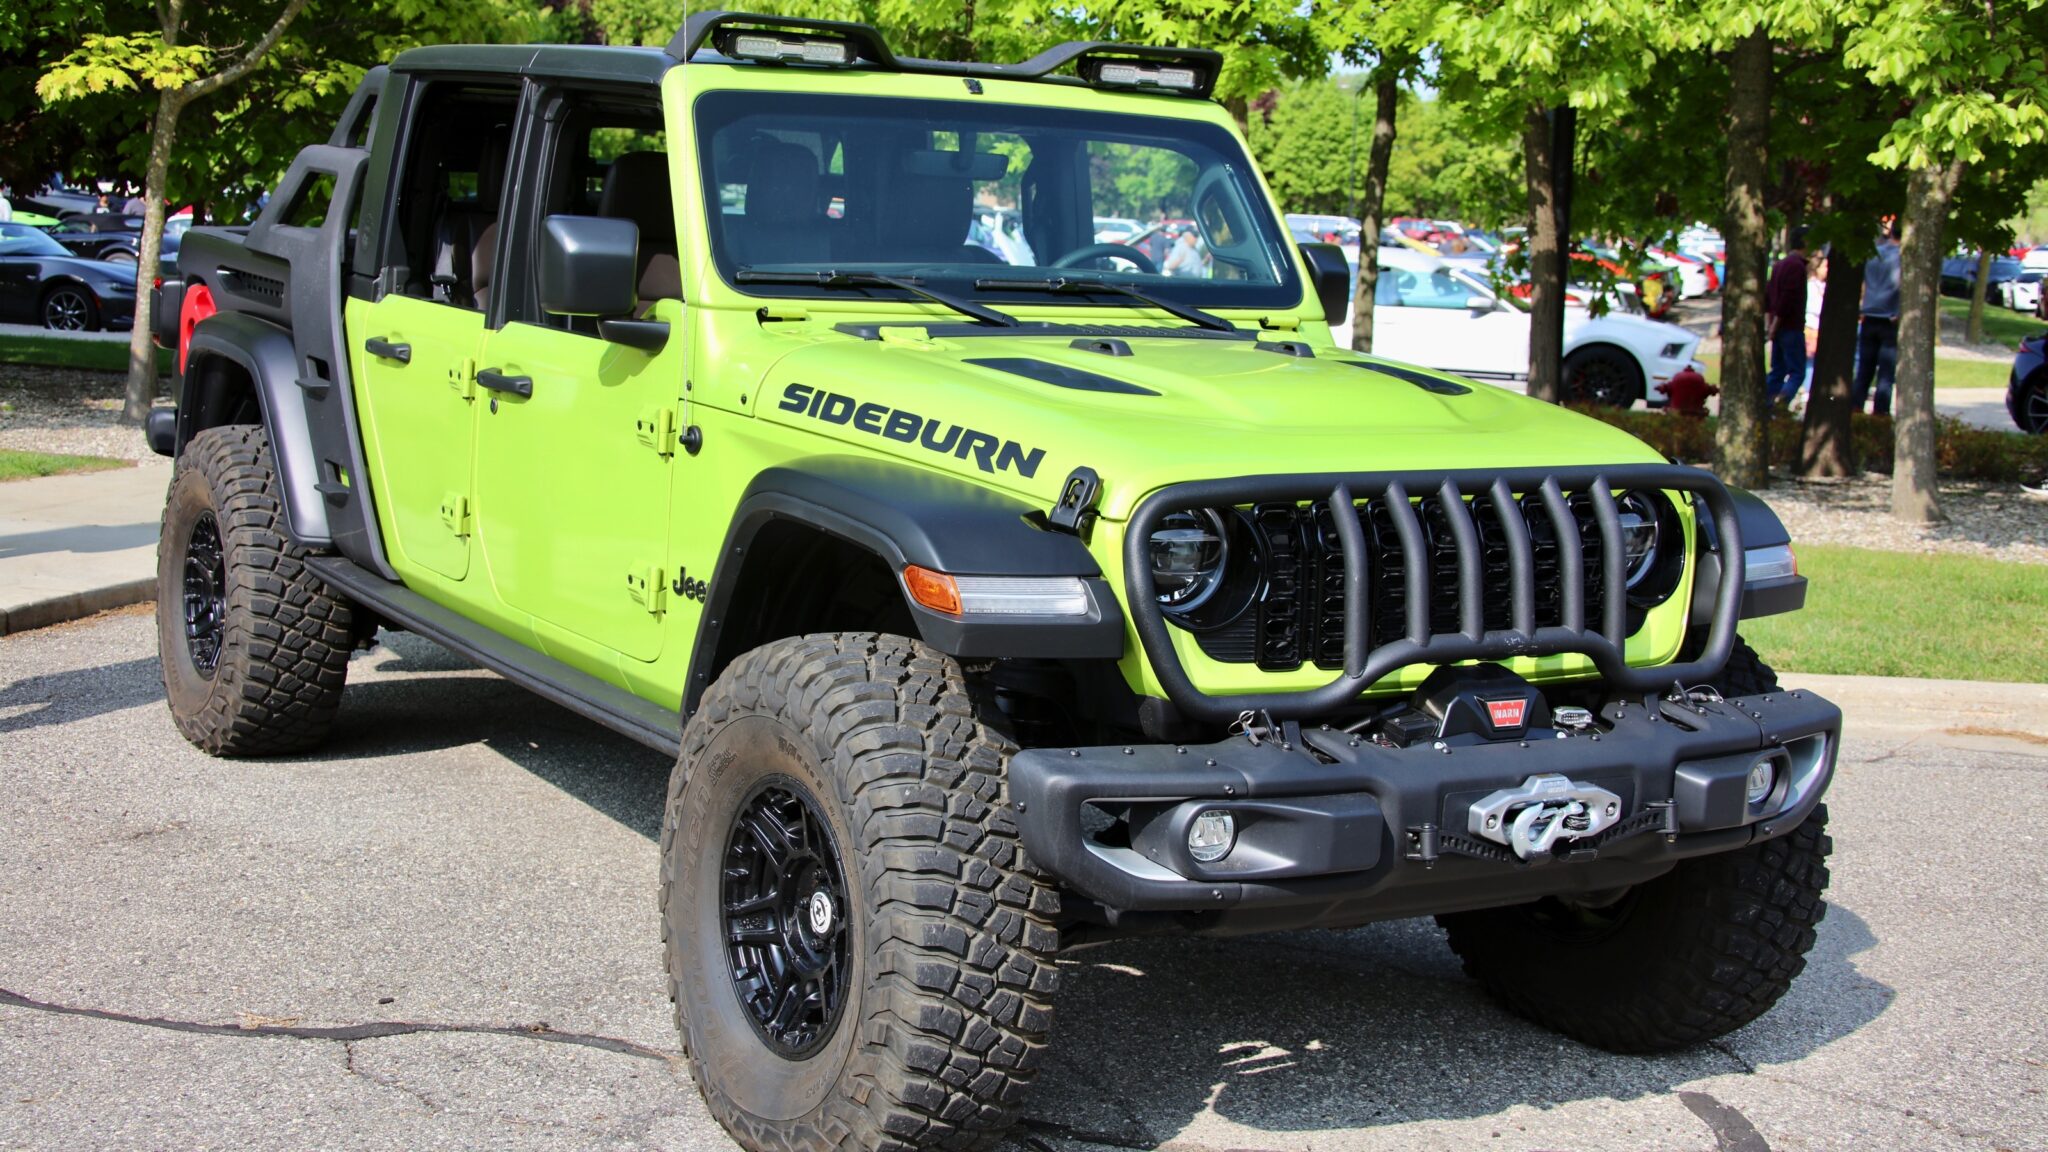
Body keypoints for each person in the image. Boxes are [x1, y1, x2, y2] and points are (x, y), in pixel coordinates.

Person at [1852, 221, 1901, 417]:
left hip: (1869, 314)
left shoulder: (1874, 254)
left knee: (1864, 370)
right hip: (1890, 318)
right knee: (1886, 375)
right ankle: (1880, 415)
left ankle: (1855, 409)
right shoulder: (1903, 258)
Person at [1764, 227, 1809, 407]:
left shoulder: (1779, 265)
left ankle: (1766, 406)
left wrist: (1771, 324)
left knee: (1778, 370)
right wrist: (1774, 325)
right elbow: (1786, 299)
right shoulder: (1795, 266)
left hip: (1780, 326)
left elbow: (1768, 298)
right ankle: (1779, 404)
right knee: (1797, 372)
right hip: (1790, 326)